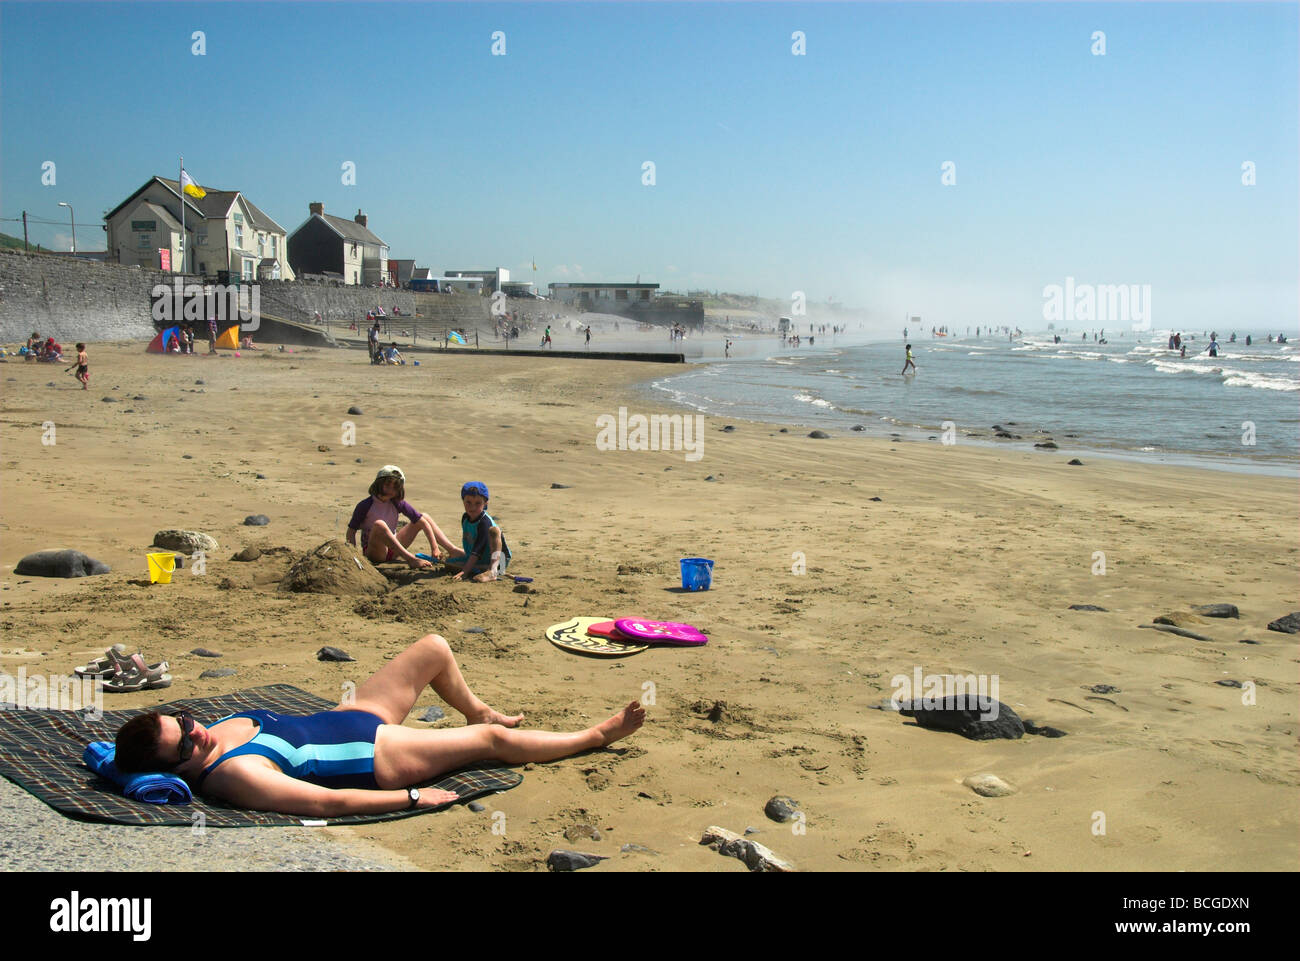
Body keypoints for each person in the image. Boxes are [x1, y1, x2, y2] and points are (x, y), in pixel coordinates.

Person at [112, 633, 646, 816]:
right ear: (176, 771)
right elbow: (326, 803)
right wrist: (410, 799)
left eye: (184, 721)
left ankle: (475, 706)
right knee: (490, 742)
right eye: (183, 749)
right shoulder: (230, 775)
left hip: (345, 719)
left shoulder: (210, 730)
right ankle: (594, 736)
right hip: (375, 758)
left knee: (433, 649)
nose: (196, 734)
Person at [346, 465, 458, 569]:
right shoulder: (365, 505)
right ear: (379, 484)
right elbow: (351, 531)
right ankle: (410, 559)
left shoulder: (396, 503)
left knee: (424, 516)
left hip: (394, 549)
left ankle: (452, 550)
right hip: (376, 552)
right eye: (387, 485)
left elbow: (422, 522)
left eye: (395, 487)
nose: (391, 490)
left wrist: (434, 547)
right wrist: (353, 556)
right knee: (379, 524)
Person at [445, 481, 510, 582]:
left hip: (499, 561)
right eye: (468, 502)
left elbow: (478, 549)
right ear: (463, 501)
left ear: (485, 503)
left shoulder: (484, 522)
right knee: (448, 564)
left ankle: (492, 571)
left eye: (478, 503)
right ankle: (481, 568)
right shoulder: (465, 518)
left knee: (494, 531)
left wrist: (465, 571)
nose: (472, 507)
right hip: (481, 560)